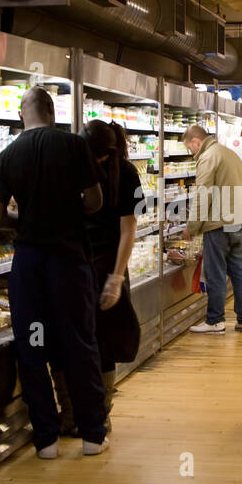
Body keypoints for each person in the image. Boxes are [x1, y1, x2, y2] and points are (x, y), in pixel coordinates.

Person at [0, 87, 110, 459]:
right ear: (52, 112)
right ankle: (92, 435)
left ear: (24, 114)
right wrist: (67, 213)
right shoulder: (74, 146)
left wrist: (24, 219)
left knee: (34, 345)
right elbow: (95, 200)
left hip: (30, 268)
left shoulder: (7, 155)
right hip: (69, 262)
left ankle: (46, 440)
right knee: (79, 343)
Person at [55, 120, 140, 434]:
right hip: (75, 262)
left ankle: (99, 414)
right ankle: (70, 415)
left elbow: (128, 230)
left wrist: (115, 278)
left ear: (107, 154)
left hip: (106, 264)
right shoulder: (75, 168)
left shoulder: (127, 175)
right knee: (71, 339)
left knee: (103, 342)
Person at [182, 124, 242, 333]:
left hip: (219, 223)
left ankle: (215, 321)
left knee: (216, 273)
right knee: (239, 271)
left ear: (196, 142)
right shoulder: (229, 154)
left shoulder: (208, 157)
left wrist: (192, 227)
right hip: (238, 221)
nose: (191, 152)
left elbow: (203, 194)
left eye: (190, 148)